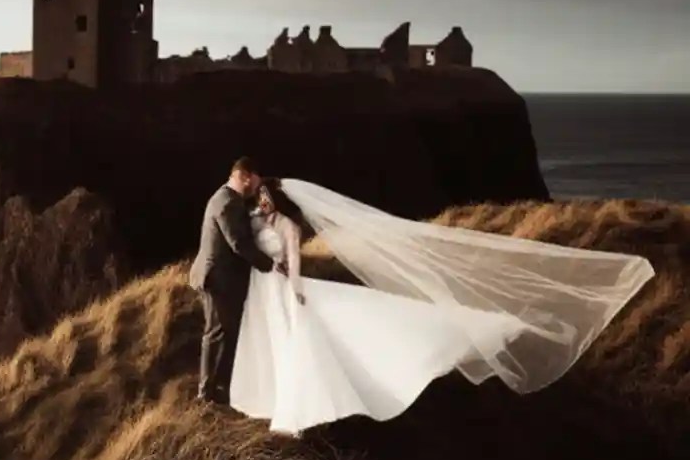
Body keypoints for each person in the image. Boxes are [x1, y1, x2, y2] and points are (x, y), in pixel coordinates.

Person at [228, 178, 655, 435]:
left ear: (278, 203)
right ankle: (272, 396)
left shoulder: (287, 225)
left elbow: (295, 257)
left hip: (285, 286)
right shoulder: (255, 221)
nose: (263, 202)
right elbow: (239, 236)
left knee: (308, 336)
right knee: (276, 339)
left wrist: (296, 284)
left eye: (267, 197)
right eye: (260, 197)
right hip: (264, 290)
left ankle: (297, 409)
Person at [189, 157, 276, 404]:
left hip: (224, 279)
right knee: (216, 333)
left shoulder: (233, 200)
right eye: (256, 177)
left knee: (225, 333)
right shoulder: (226, 202)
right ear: (245, 175)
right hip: (218, 279)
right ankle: (206, 394)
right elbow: (238, 243)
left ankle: (219, 387)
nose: (257, 183)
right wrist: (269, 265)